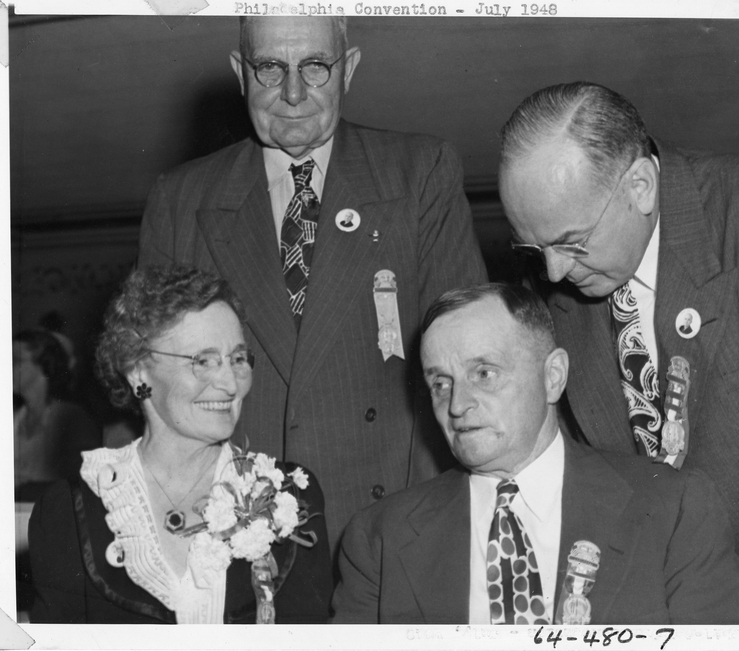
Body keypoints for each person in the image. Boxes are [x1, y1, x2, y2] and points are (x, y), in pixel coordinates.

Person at [137, 16, 488, 549]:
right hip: (237, 528)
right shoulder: (180, 199)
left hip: (395, 522)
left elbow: (469, 367)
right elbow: (154, 388)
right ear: (240, 73)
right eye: (271, 68)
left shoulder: (419, 174)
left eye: (316, 67)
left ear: (348, 70)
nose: (294, 93)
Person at [497, 82, 739, 623]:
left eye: (571, 242)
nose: (554, 273)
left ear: (641, 186)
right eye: (534, 250)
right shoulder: (554, 278)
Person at [331, 284, 739, 624]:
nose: (457, 404)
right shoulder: (380, 540)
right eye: (440, 383)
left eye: (483, 373)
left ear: (553, 376)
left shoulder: (671, 509)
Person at [28, 265, 333, 624]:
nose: (230, 384)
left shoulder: (290, 496)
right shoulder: (69, 510)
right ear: (139, 371)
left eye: (237, 359)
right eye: (203, 361)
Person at [14, 328, 102, 501]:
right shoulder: (16, 419)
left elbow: (82, 486)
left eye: (15, 360)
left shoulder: (72, 419)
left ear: (45, 365)